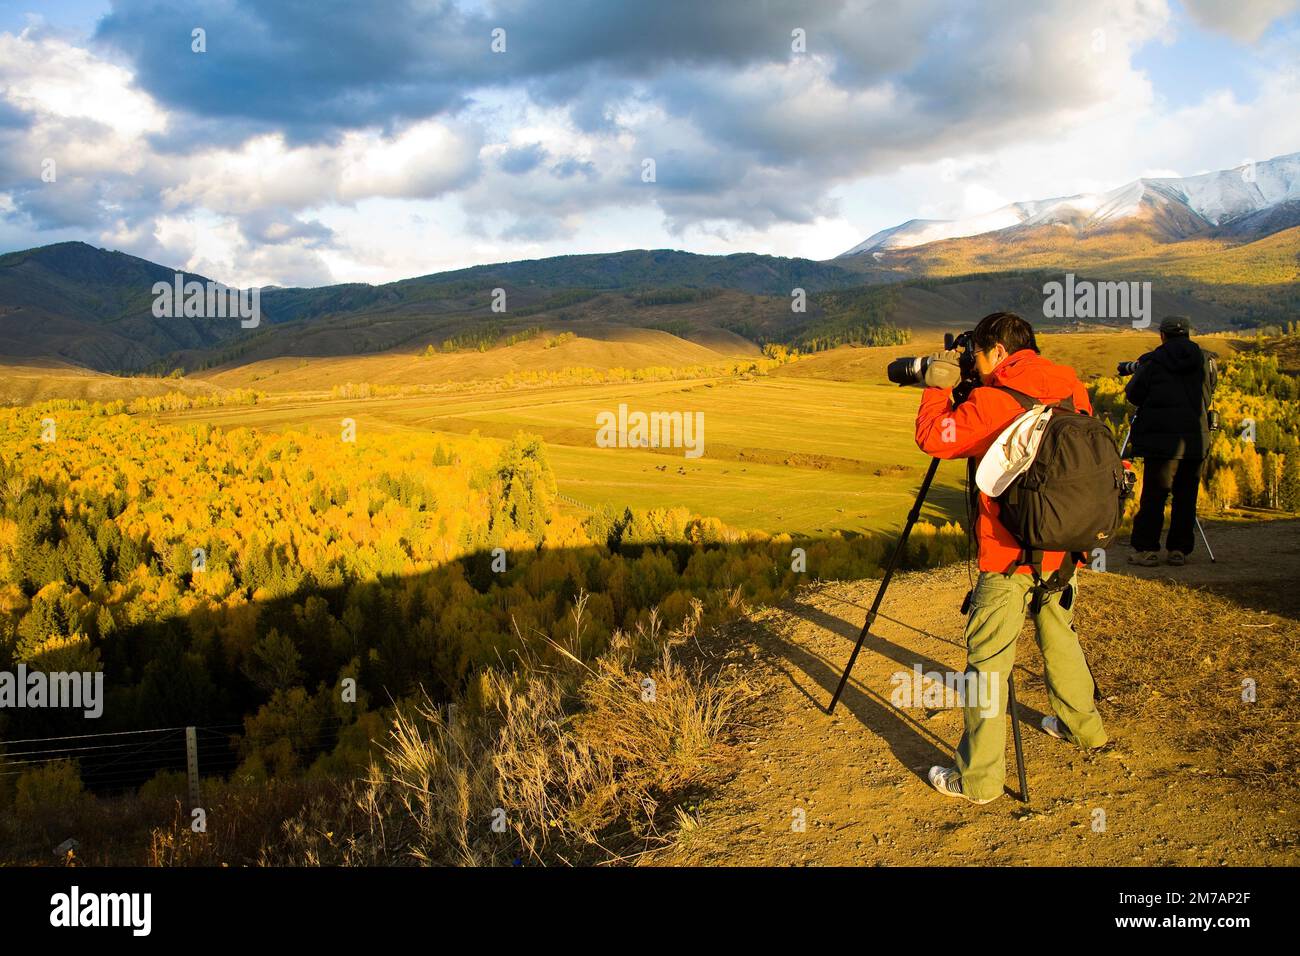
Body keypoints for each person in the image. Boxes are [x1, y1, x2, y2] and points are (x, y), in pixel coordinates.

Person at [914, 311, 1108, 805]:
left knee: (987, 665)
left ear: (998, 350)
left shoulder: (996, 398)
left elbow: (935, 438)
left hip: (1007, 553)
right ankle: (1083, 728)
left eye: (976, 356)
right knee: (1060, 635)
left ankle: (978, 780)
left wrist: (938, 388)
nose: (973, 366)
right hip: (1064, 548)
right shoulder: (1071, 388)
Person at [1124, 316, 1218, 567]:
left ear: (1162, 335)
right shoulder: (1204, 359)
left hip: (1161, 441)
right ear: (1187, 334)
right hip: (1195, 439)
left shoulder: (1154, 361)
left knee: (1154, 496)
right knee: (1186, 496)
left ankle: (1147, 550)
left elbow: (1134, 394)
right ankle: (1179, 550)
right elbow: (1210, 394)